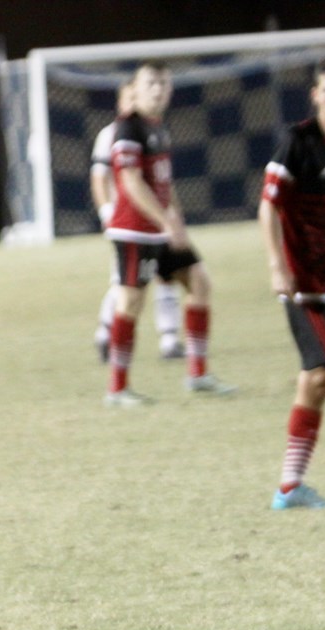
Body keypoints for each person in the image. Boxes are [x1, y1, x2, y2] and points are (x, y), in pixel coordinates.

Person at [102, 60, 234, 406]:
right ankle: (116, 389)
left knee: (199, 281)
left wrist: (175, 218)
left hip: (160, 231)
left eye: (163, 83)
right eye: (151, 83)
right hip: (134, 232)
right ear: (137, 88)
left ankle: (198, 374)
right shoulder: (128, 128)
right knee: (131, 301)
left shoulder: (158, 128)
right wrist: (166, 221)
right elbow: (131, 183)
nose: (158, 89)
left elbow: (163, 182)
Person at [261, 55, 325, 509]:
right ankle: (290, 485)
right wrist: (275, 264)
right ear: (315, 95)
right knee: (318, 374)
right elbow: (268, 206)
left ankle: (290, 486)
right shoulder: (298, 141)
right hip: (304, 281)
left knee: (315, 379)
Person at [91, 79, 181, 364]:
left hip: (156, 220)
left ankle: (170, 339)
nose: (133, 103)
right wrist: (107, 211)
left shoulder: (155, 129)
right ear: (121, 102)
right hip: (129, 223)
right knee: (126, 285)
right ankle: (107, 333)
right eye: (128, 98)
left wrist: (172, 214)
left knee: (168, 276)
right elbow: (100, 178)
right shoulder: (112, 133)